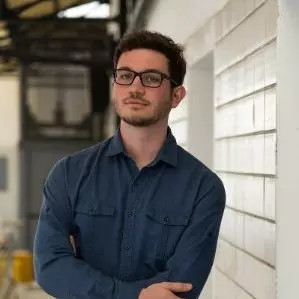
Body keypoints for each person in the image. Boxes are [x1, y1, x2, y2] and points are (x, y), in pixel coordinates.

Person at [33, 30, 226, 299]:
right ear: (115, 86)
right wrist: (135, 296)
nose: (135, 88)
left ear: (176, 96)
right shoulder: (69, 174)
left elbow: (182, 285)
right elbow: (50, 266)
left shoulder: (203, 188)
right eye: (125, 76)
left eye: (151, 78)